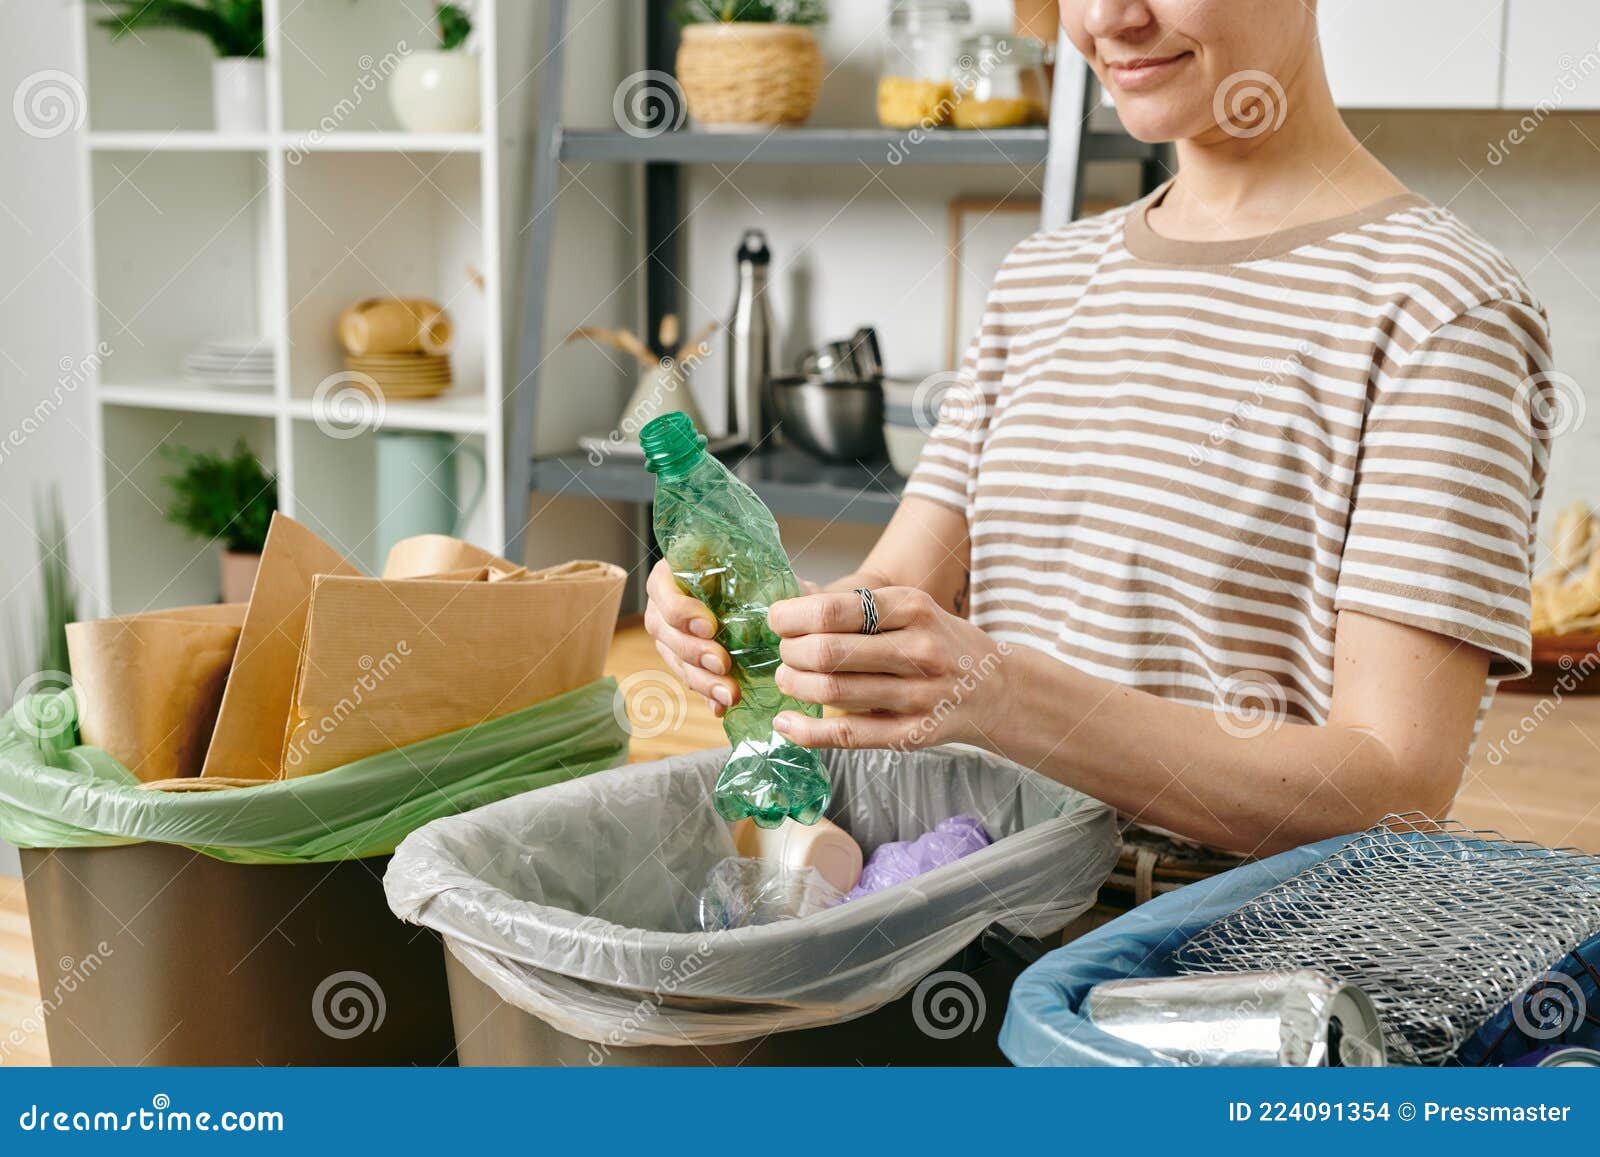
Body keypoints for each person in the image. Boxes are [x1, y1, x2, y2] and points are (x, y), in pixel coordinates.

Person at [644, 0, 1556, 856]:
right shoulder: (1044, 277)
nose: (1107, 20)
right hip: (965, 898)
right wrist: (761, 618)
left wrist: (1003, 693)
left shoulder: (1440, 311)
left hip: (1211, 974)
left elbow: (1390, 787)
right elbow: (892, 589)